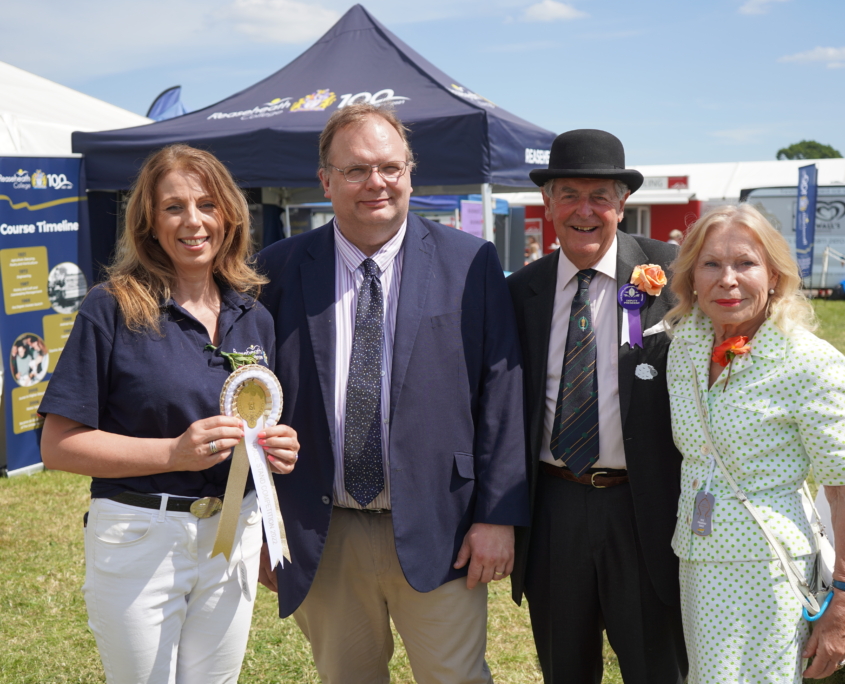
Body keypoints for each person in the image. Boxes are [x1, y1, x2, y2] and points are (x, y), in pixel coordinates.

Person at [256, 103, 528, 684]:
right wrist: (263, 524)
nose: (375, 183)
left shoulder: (470, 261)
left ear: (411, 172)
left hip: (442, 524)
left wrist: (497, 516)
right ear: (325, 181)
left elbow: (501, 392)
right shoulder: (275, 271)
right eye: (355, 170)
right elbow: (253, 400)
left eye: (390, 167)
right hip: (323, 531)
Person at [38, 144, 300, 684]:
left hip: (233, 537)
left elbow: (260, 427)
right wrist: (171, 452)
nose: (193, 221)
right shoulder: (111, 307)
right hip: (140, 538)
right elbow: (58, 445)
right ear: (149, 223)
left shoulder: (254, 316)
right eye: (173, 207)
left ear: (228, 215)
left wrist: (276, 452)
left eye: (207, 204)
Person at [507, 129, 688, 683]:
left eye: (600, 197)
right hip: (555, 508)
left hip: (646, 509)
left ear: (622, 203)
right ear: (548, 201)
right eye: (569, 195)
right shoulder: (521, 291)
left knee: (656, 669)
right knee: (565, 669)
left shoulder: (676, 275)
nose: (584, 212)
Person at [664, 203, 845, 682]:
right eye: (711, 264)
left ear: (774, 276)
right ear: (691, 277)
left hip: (768, 573)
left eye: (745, 263)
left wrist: (842, 604)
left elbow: (843, 488)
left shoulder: (808, 363)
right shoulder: (685, 344)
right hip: (696, 561)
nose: (728, 279)